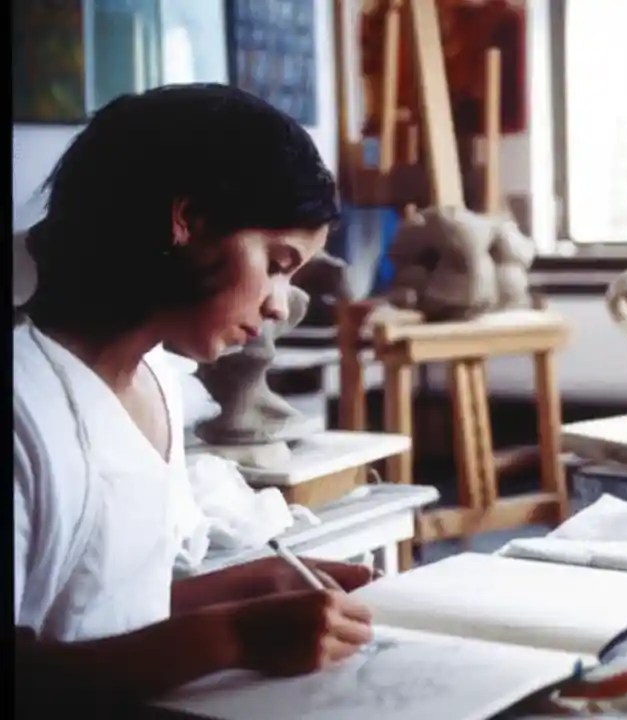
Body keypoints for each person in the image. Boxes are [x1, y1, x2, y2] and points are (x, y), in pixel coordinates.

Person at [13, 84, 375, 711]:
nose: (279, 302)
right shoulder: (24, 401)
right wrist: (231, 634)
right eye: (277, 261)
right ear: (187, 220)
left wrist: (250, 588)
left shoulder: (155, 378)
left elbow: (99, 610)